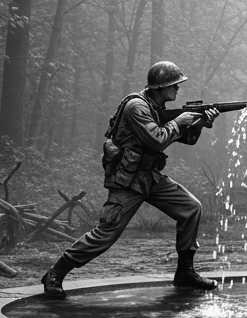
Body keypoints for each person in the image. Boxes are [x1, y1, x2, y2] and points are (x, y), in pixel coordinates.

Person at [41, 61, 220, 297]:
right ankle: (55, 273)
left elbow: (185, 139)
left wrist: (201, 124)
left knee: (190, 208)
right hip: (128, 179)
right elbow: (157, 140)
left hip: (149, 176)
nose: (178, 88)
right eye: (174, 84)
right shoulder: (137, 107)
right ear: (160, 86)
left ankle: (185, 272)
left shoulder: (157, 106)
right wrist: (180, 121)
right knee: (106, 234)